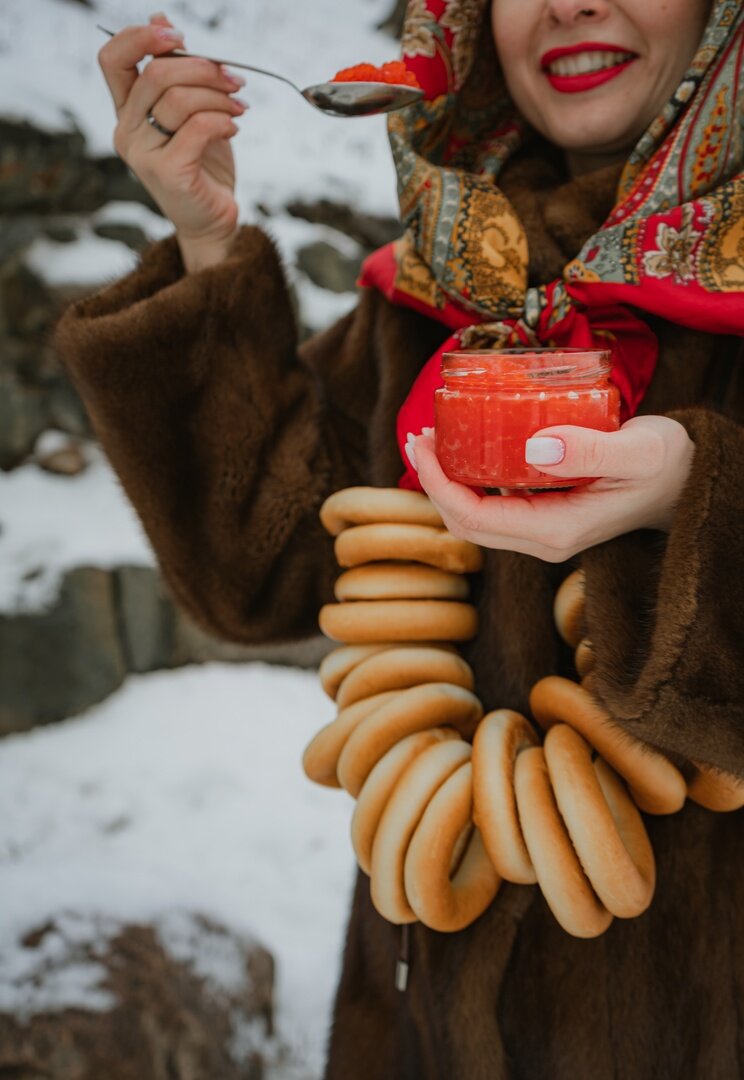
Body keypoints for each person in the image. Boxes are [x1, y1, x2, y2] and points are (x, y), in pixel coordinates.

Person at [56, 0, 744, 1076]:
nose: (568, 2)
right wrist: (205, 237)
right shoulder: (433, 288)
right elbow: (263, 573)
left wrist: (693, 499)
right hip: (424, 1032)